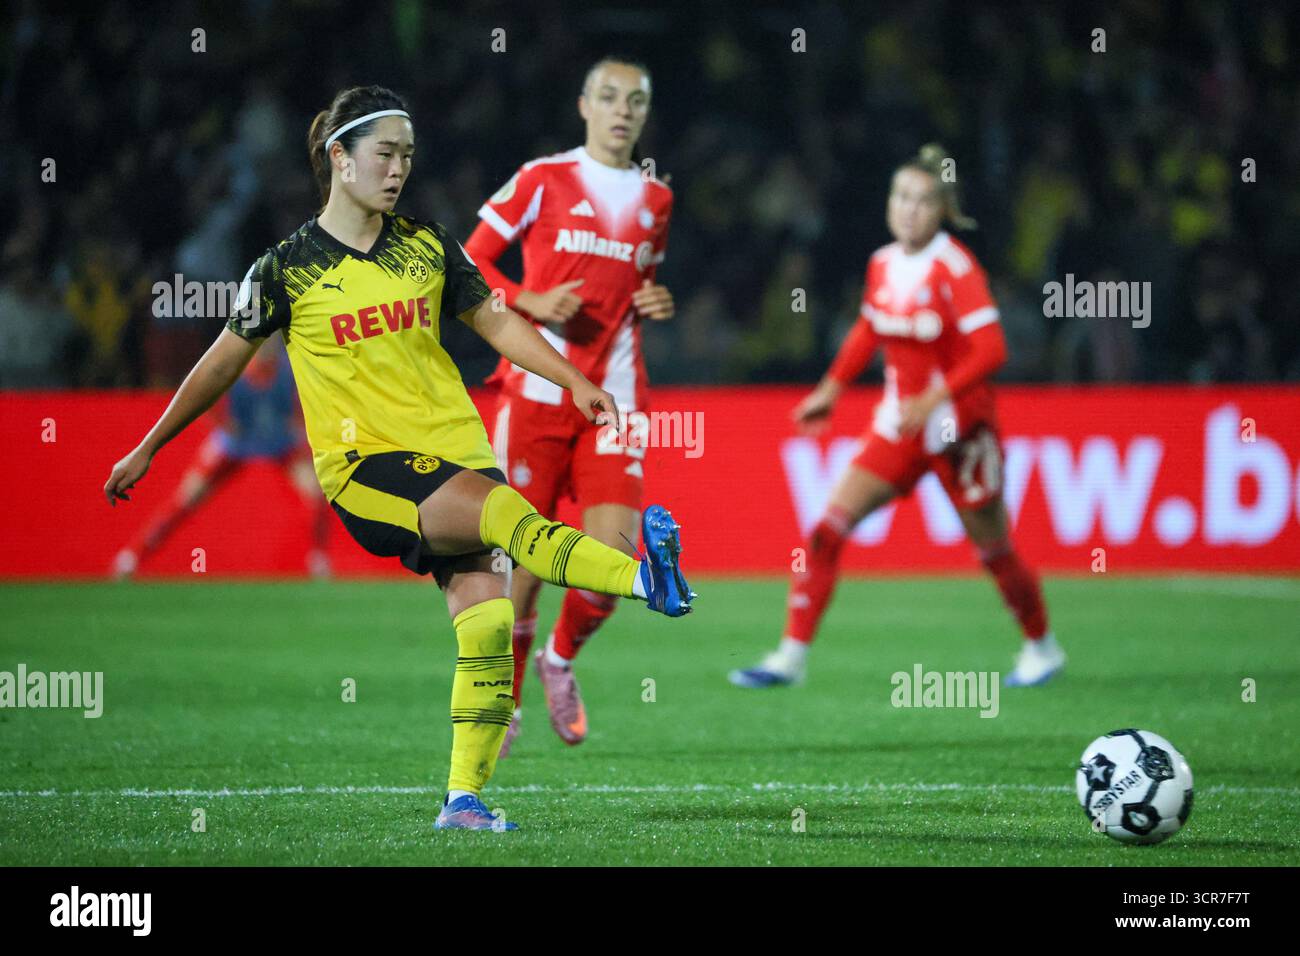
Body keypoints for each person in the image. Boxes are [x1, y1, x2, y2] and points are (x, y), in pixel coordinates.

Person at [103, 85, 694, 833]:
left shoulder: (427, 246)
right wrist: (150, 445)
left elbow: (497, 322)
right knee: (512, 515)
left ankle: (464, 802)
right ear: (339, 159)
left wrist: (574, 379)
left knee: (482, 626)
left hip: (456, 456)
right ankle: (645, 578)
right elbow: (220, 364)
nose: (399, 169)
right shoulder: (285, 269)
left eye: (408, 156)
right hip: (368, 471)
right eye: (385, 153)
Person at [729, 144, 1063, 691]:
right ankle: (789, 657)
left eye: (923, 201)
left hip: (960, 431)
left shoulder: (956, 268)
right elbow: (868, 329)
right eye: (901, 197)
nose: (909, 209)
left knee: (995, 550)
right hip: (898, 426)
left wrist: (937, 398)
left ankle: (1042, 646)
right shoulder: (882, 263)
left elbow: (991, 349)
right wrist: (830, 389)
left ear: (942, 211)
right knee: (826, 530)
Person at [463, 57, 675, 753]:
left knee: (615, 563)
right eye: (609, 97)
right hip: (534, 397)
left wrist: (654, 300)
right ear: (584, 104)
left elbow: (637, 285)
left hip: (613, 400)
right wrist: (526, 299)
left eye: (635, 101)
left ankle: (560, 659)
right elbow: (470, 265)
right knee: (522, 571)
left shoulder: (656, 201)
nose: (622, 110)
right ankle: (510, 699)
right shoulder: (541, 179)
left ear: (645, 113)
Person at [111, 338, 332, 579]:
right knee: (187, 498)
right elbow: (204, 397)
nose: (268, 350)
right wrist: (224, 424)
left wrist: (299, 428)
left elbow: (303, 402)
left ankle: (318, 559)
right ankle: (134, 556)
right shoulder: (235, 368)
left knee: (316, 493)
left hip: (278, 441)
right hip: (233, 444)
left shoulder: (288, 370)